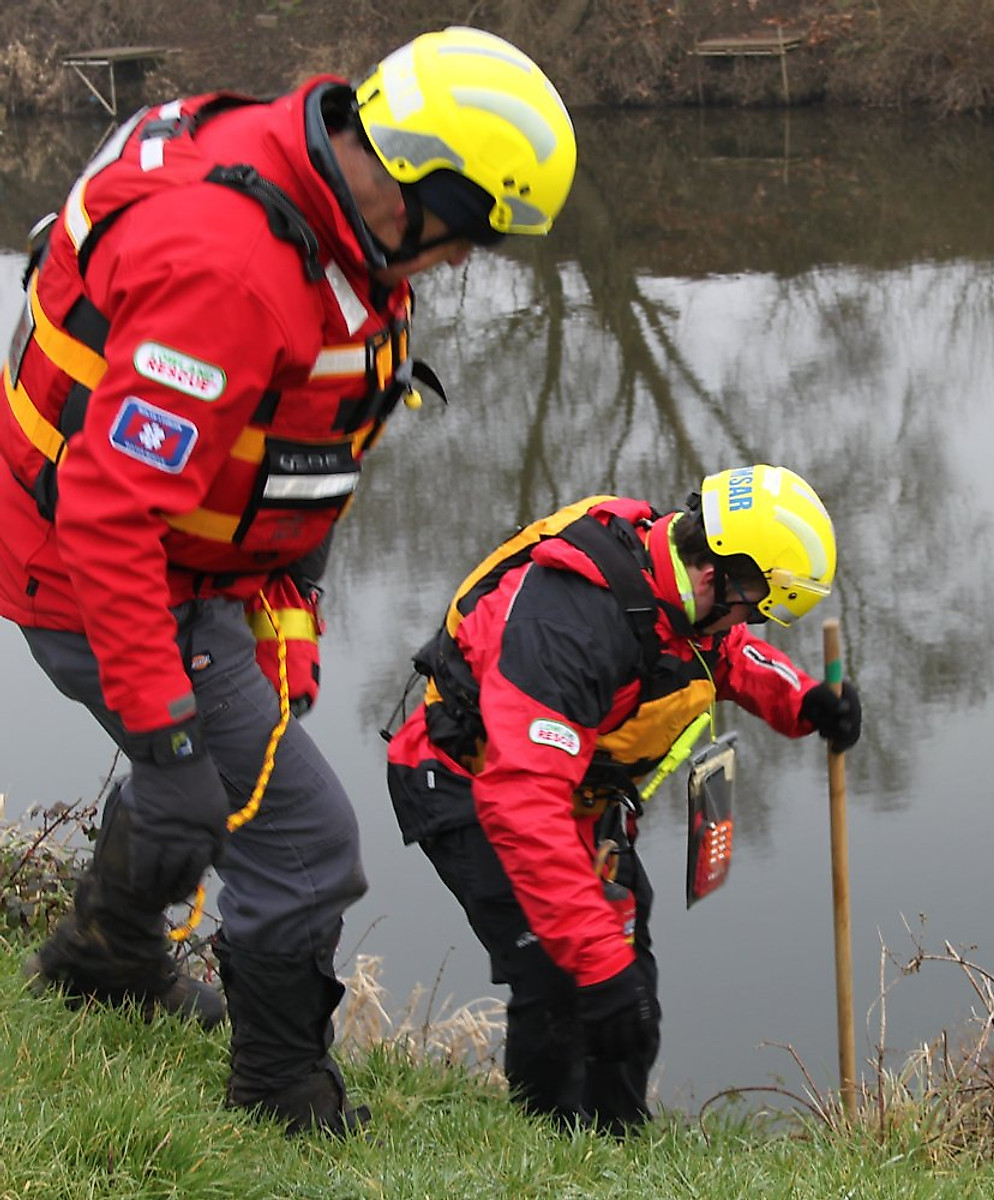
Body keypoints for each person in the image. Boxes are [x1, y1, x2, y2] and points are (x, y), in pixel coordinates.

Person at [0, 26, 576, 1136]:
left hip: (187, 566)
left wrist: (283, 633)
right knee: (306, 843)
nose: (468, 262)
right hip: (100, 579)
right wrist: (169, 737)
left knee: (222, 773)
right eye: (476, 234)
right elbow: (111, 515)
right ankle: (281, 1093)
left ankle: (100, 959)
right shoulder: (233, 275)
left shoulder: (316, 185)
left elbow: (287, 450)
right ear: (424, 185)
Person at [385, 464, 862, 1134]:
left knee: (629, 991)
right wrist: (595, 964)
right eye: (752, 604)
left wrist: (803, 700)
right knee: (560, 979)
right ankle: (545, 1156)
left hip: (575, 795)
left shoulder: (680, 582)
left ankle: (617, 1148)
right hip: (471, 781)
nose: (747, 620)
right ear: (716, 574)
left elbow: (719, 653)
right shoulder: (572, 623)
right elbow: (521, 800)